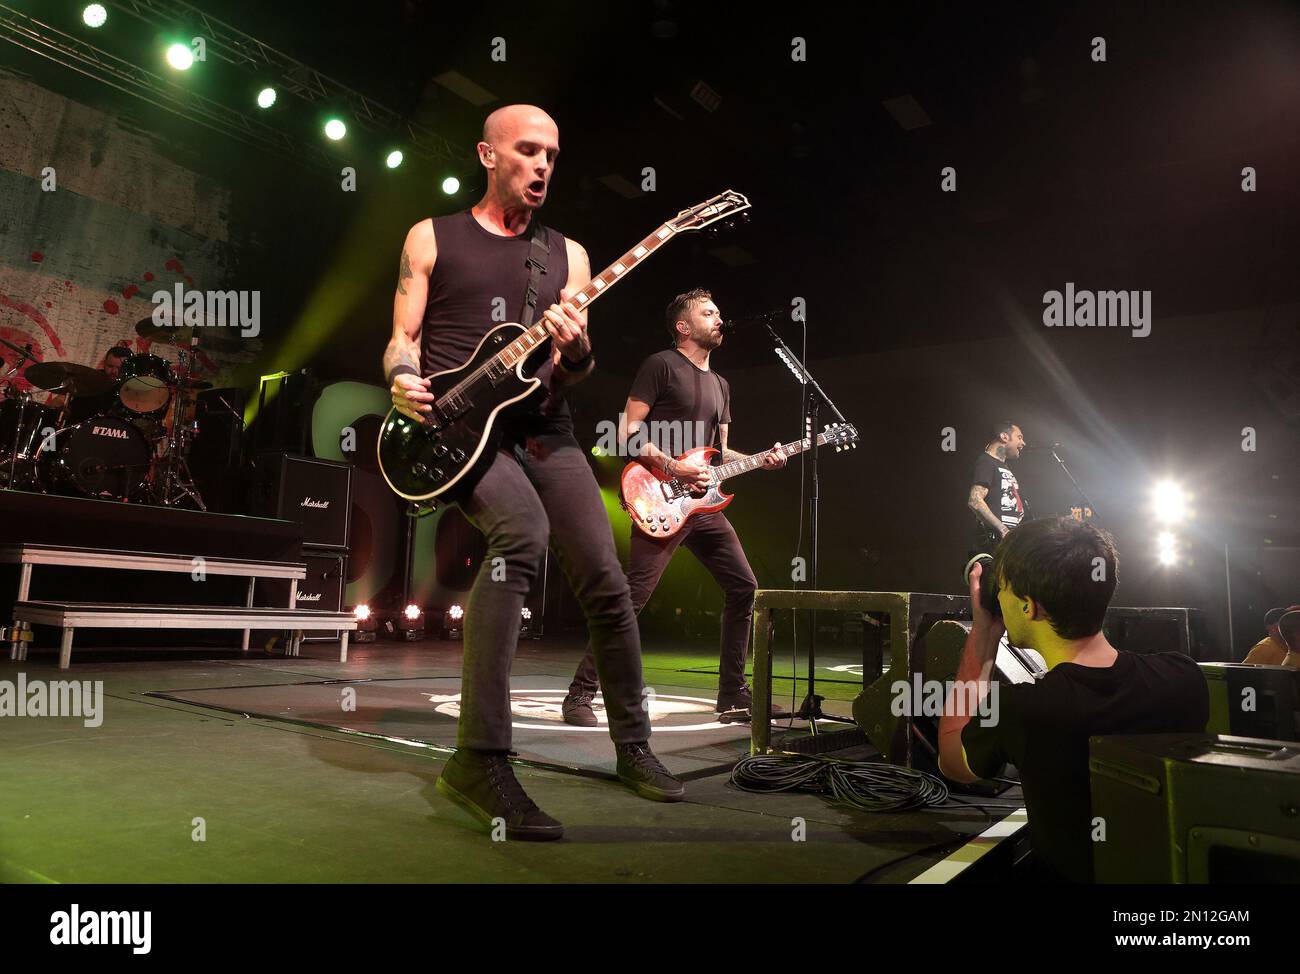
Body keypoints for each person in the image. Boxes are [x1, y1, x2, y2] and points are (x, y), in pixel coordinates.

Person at [383, 104, 682, 842]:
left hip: (545, 429)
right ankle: (479, 760)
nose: (544, 164)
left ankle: (634, 744)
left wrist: (576, 350)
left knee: (607, 580)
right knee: (522, 537)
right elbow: (402, 338)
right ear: (488, 155)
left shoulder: (568, 256)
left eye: (552, 152)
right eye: (527, 150)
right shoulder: (432, 236)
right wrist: (400, 378)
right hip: (456, 429)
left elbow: (575, 369)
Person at [938, 517, 1209, 882]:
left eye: (1001, 589)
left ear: (1028, 607)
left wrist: (982, 635)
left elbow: (953, 761)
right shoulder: (1184, 677)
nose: (997, 598)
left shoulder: (1022, 710)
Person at [562, 288, 787, 724]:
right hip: (658, 496)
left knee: (745, 588)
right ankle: (580, 695)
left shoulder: (722, 385)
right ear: (684, 326)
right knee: (632, 599)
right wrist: (671, 467)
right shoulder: (660, 365)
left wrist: (764, 459)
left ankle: (732, 694)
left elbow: (720, 455)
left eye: (719, 310)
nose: (719, 317)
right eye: (709, 312)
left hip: (703, 508)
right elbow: (625, 432)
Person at [967, 421, 1027, 556]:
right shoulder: (986, 461)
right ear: (1004, 437)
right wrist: (1003, 530)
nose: (1023, 443)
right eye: (1020, 437)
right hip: (995, 543)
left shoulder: (1003, 466)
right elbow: (975, 500)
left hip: (1010, 542)